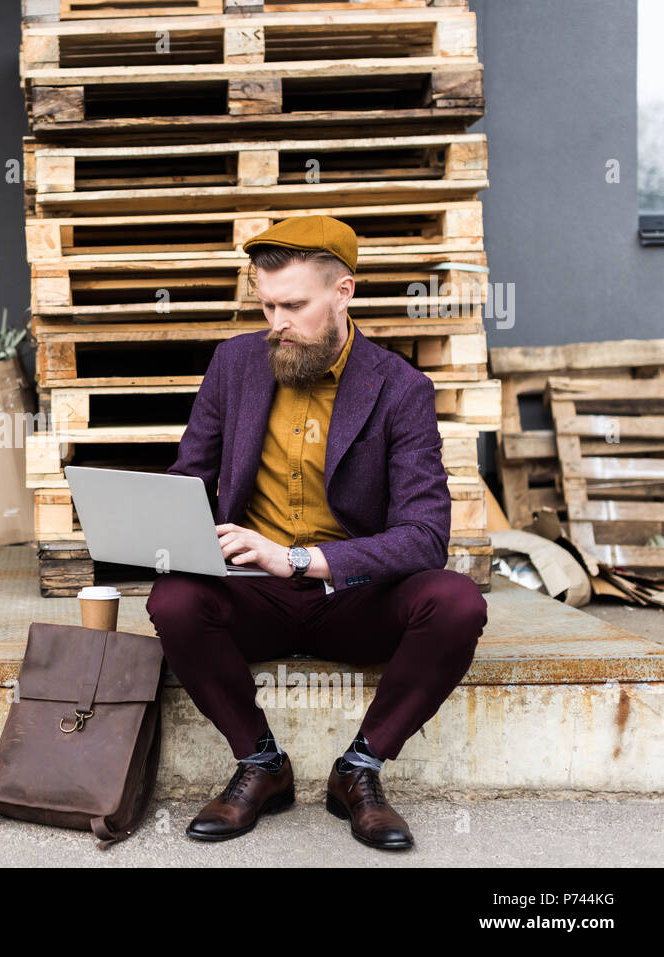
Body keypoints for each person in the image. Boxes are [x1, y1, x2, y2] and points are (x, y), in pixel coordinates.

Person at [145, 214, 487, 850]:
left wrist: (300, 559)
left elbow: (424, 535)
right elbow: (188, 478)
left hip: (352, 596)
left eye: (295, 305)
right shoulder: (234, 364)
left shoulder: (401, 388)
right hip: (253, 592)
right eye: (267, 304)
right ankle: (261, 764)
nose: (277, 322)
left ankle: (359, 770)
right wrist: (155, 532)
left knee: (458, 601)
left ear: (344, 293)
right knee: (172, 600)